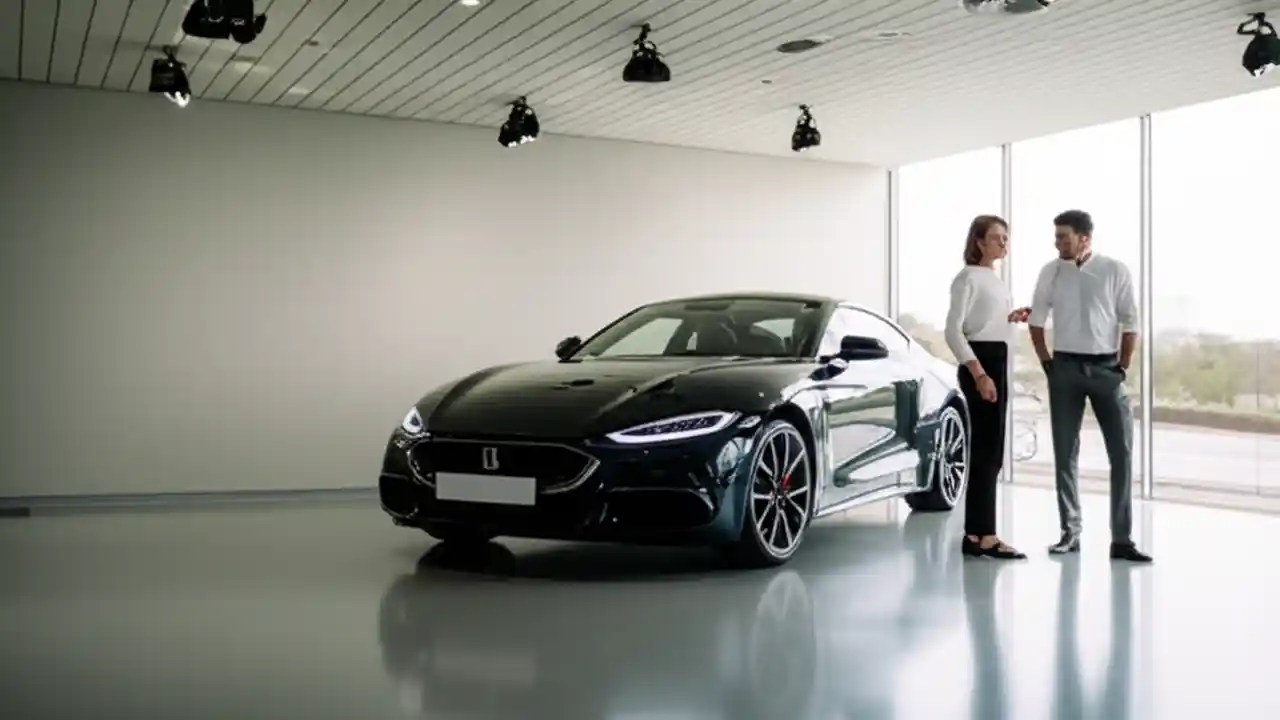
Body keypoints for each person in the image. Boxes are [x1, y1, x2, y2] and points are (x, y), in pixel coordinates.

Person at [1028, 209, 1152, 562]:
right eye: (1056, 237)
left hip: (1106, 368)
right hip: (1064, 368)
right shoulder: (1050, 272)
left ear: (1085, 238)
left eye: (1063, 237)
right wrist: (1048, 365)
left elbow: (1131, 322)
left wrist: (1123, 367)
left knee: (1122, 454)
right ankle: (1070, 532)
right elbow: (1036, 321)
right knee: (1065, 454)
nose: (1057, 243)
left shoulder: (1115, 270)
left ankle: (1122, 540)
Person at [945, 214, 1031, 560]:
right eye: (996, 238)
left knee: (990, 452)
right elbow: (953, 331)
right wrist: (979, 374)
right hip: (982, 364)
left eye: (1006, 238)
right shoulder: (967, 278)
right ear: (979, 241)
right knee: (986, 452)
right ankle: (984, 535)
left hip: (997, 359)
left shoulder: (995, 280)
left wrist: (1012, 318)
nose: (1003, 243)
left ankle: (978, 534)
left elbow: (986, 324)